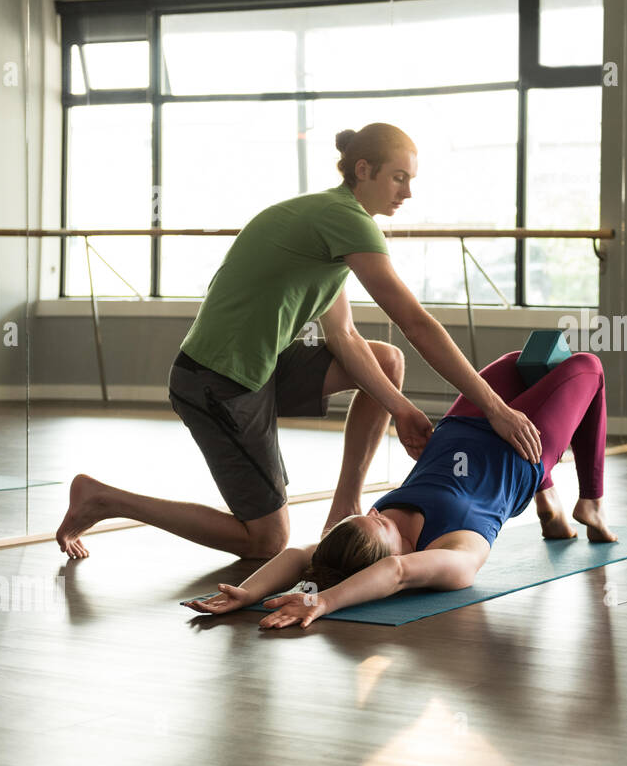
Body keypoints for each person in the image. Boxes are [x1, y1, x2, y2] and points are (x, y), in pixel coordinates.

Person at [56, 123, 542, 560]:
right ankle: (106, 499)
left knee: (385, 360)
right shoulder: (346, 219)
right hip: (216, 383)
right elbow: (415, 322)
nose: (408, 192)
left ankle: (343, 509)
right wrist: (496, 408)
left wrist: (399, 408)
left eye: (411, 179)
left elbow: (346, 338)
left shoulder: (329, 224)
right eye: (399, 177)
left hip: (262, 370)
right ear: (364, 169)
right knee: (266, 542)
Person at [182, 350, 616, 628]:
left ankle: (551, 504)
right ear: (395, 552)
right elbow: (396, 576)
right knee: (588, 367)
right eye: (381, 527)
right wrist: (325, 603)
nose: (376, 514)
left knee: (523, 360)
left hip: (466, 420)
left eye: (370, 515)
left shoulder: (362, 538)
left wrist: (249, 591)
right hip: (526, 446)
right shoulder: (457, 552)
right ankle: (590, 504)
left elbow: (297, 556)